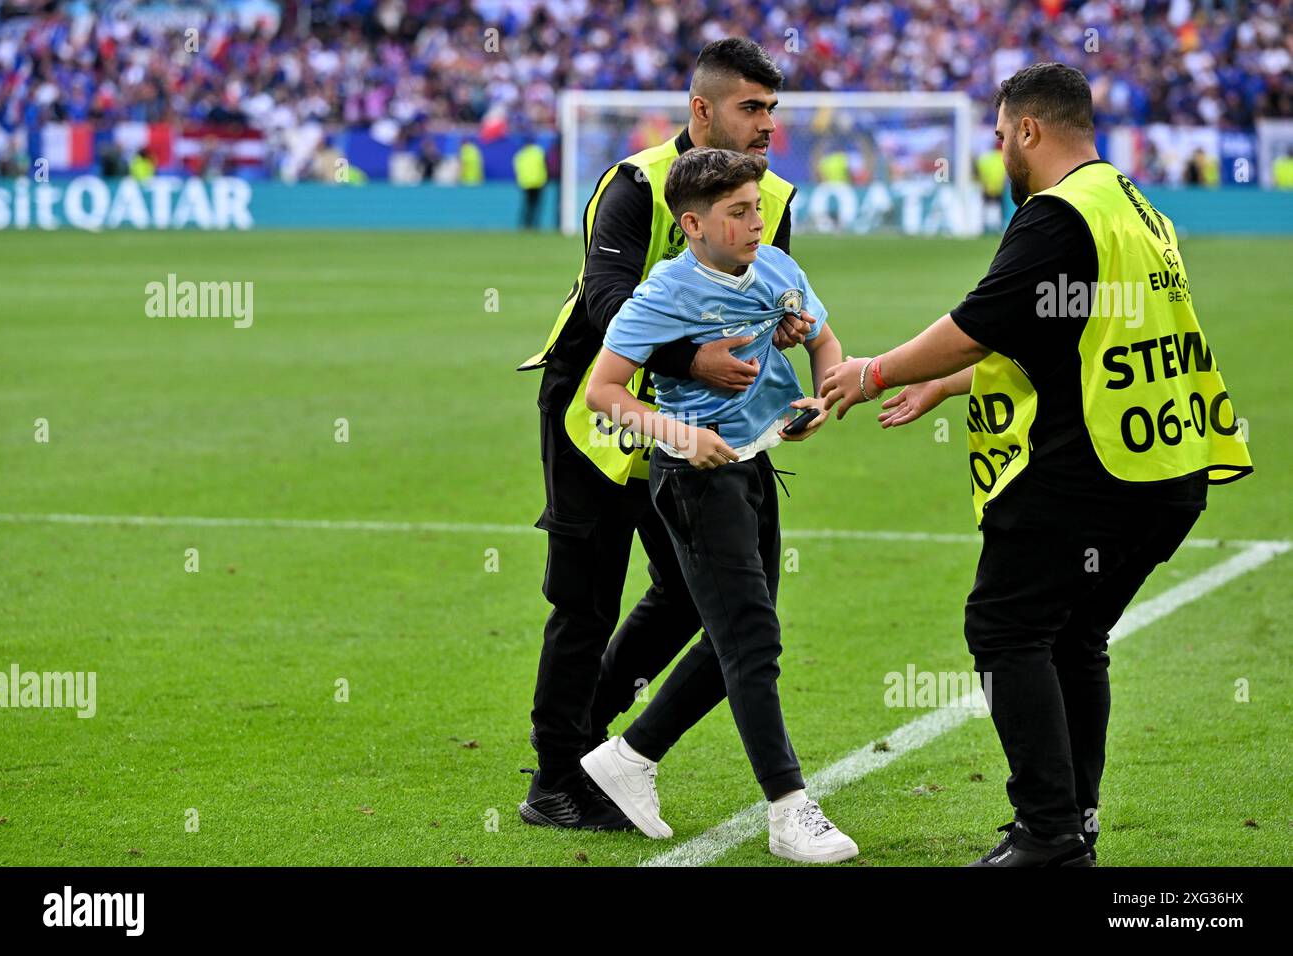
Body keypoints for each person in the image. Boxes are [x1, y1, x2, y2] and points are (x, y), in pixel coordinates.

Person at [821, 62, 1252, 867]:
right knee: (1074, 636)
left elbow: (978, 324)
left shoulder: (1057, 215)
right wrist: (949, 388)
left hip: (1090, 468)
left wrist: (875, 371)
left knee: (1007, 626)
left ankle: (1049, 833)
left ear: (1028, 130)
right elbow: (1052, 329)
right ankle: (1072, 823)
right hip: (1170, 464)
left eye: (997, 133)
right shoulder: (1132, 205)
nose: (994, 149)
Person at [515, 38, 814, 831]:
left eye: (772, 110)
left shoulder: (775, 197)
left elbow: (766, 304)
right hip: (594, 408)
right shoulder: (634, 182)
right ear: (701, 110)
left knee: (689, 595)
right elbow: (606, 298)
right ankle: (554, 781)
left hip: (691, 426)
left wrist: (789, 344)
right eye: (751, 109)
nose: (766, 126)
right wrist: (693, 358)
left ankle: (590, 740)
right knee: (585, 599)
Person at [580, 147, 858, 864]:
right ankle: (790, 809)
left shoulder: (777, 269)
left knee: (736, 638)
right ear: (694, 224)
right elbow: (604, 392)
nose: (756, 222)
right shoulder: (663, 294)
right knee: (753, 640)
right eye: (738, 213)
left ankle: (630, 757)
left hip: (756, 463)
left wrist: (821, 394)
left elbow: (825, 340)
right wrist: (678, 432)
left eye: (758, 207)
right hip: (694, 477)